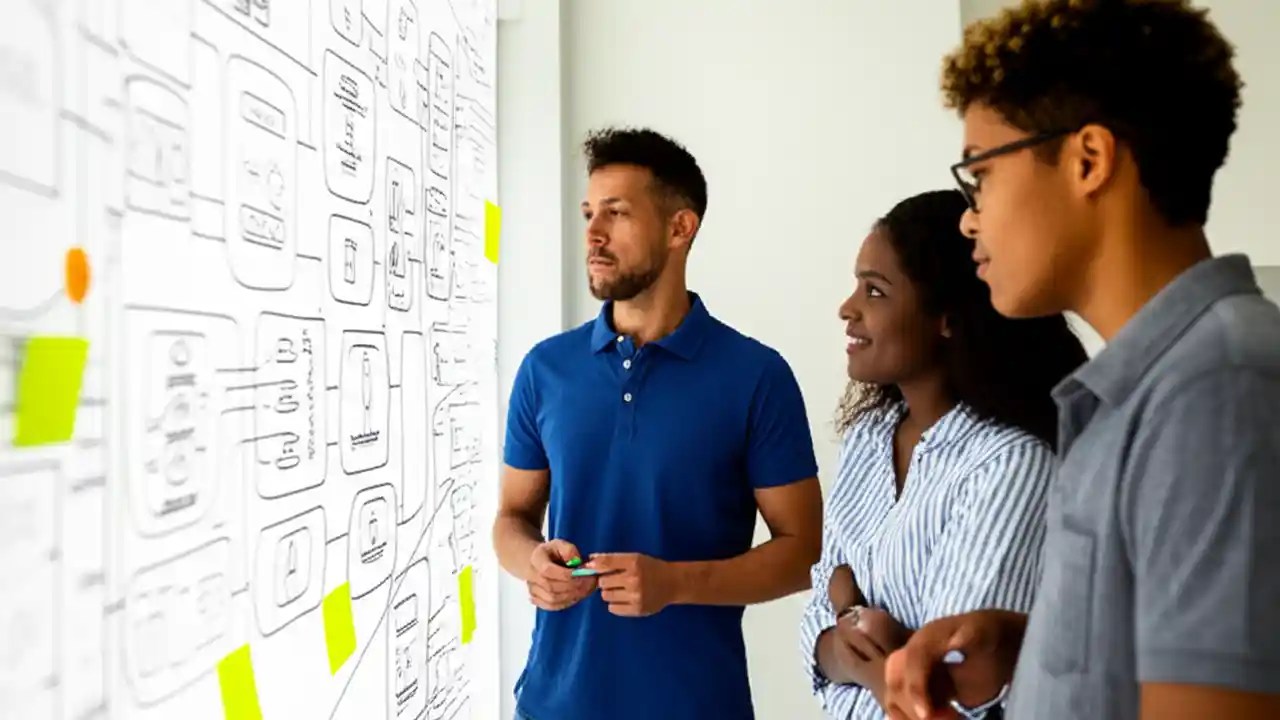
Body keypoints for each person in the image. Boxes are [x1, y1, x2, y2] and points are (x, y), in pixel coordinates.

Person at [882, 2, 1280, 719]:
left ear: (1087, 160)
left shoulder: (1215, 390)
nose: (970, 216)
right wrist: (1039, 656)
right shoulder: (1138, 393)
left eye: (981, 176)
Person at [492, 126, 823, 720]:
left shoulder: (756, 376)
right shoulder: (546, 369)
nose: (592, 233)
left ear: (680, 228)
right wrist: (532, 564)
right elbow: (512, 519)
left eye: (616, 214)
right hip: (552, 704)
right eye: (590, 212)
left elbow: (803, 554)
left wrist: (675, 584)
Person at [798, 189, 1087, 719]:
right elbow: (815, 618)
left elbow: (947, 687)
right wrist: (859, 638)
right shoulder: (868, 437)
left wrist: (848, 625)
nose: (848, 307)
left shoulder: (1008, 464)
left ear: (947, 319)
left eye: (876, 291)